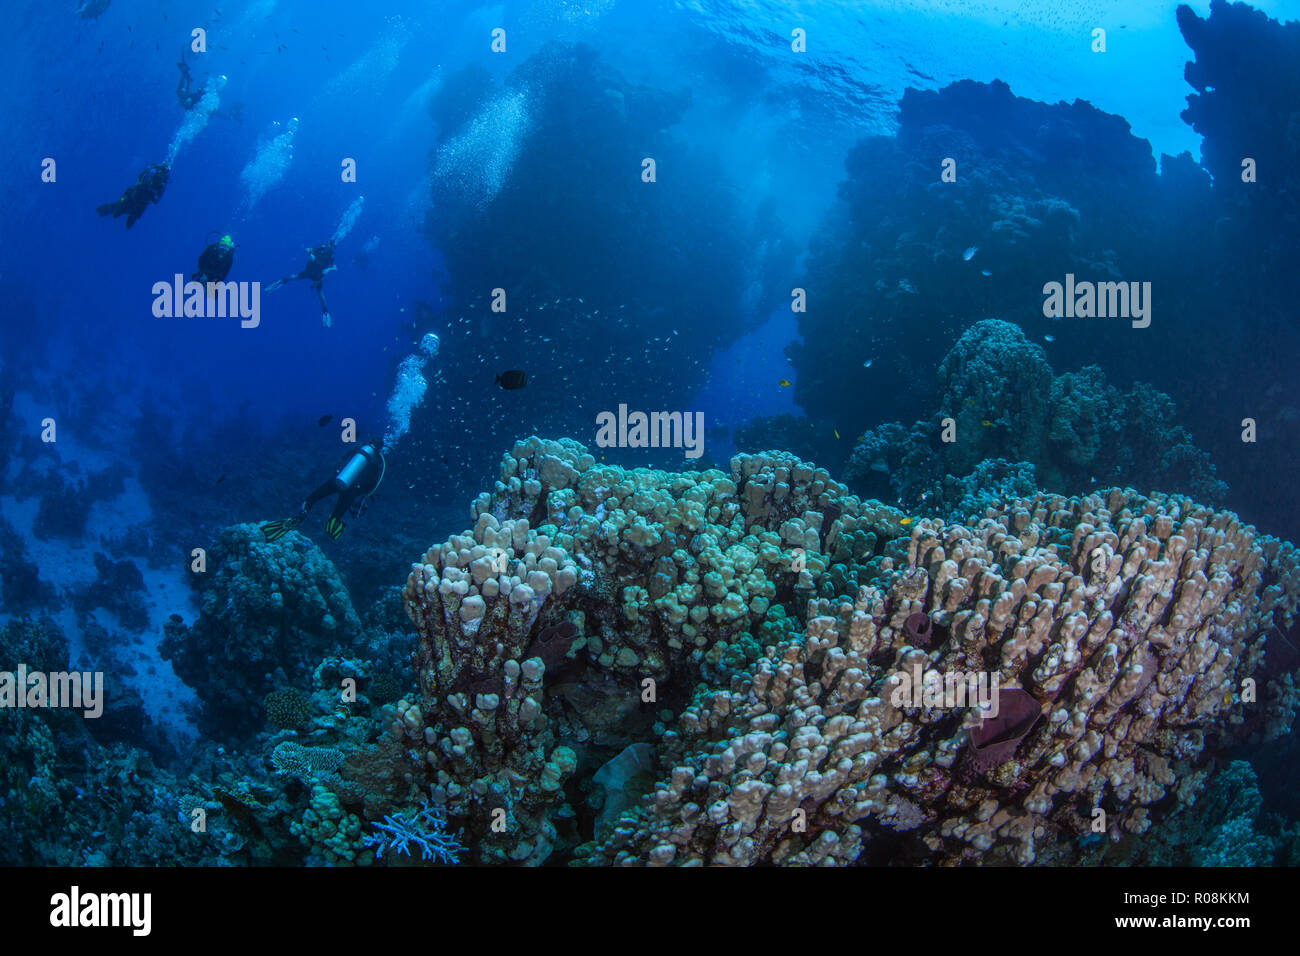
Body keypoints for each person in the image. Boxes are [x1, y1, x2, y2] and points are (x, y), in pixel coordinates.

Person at [261, 442, 385, 542]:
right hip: (351, 491)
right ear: (380, 449)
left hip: (337, 480)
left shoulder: (359, 448)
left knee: (313, 498)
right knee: (336, 515)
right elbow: (372, 486)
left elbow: (340, 461)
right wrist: (359, 492)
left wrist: (337, 475)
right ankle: (331, 528)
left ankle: (301, 515)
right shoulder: (378, 461)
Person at [266, 240, 337, 326]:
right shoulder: (320, 249)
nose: (331, 249)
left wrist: (329, 269)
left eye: (333, 248)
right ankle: (280, 282)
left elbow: (335, 268)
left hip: (317, 275)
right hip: (310, 270)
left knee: (320, 294)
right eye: (330, 247)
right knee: (295, 277)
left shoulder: (331, 258)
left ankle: (326, 313)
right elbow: (307, 249)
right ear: (328, 245)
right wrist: (311, 254)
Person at [96, 163, 169, 228]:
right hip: (133, 196)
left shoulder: (161, 184)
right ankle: (109, 210)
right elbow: (141, 178)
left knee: (128, 218)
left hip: (138, 201)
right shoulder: (152, 173)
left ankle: (115, 210)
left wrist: (154, 191)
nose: (160, 177)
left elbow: (156, 200)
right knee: (118, 209)